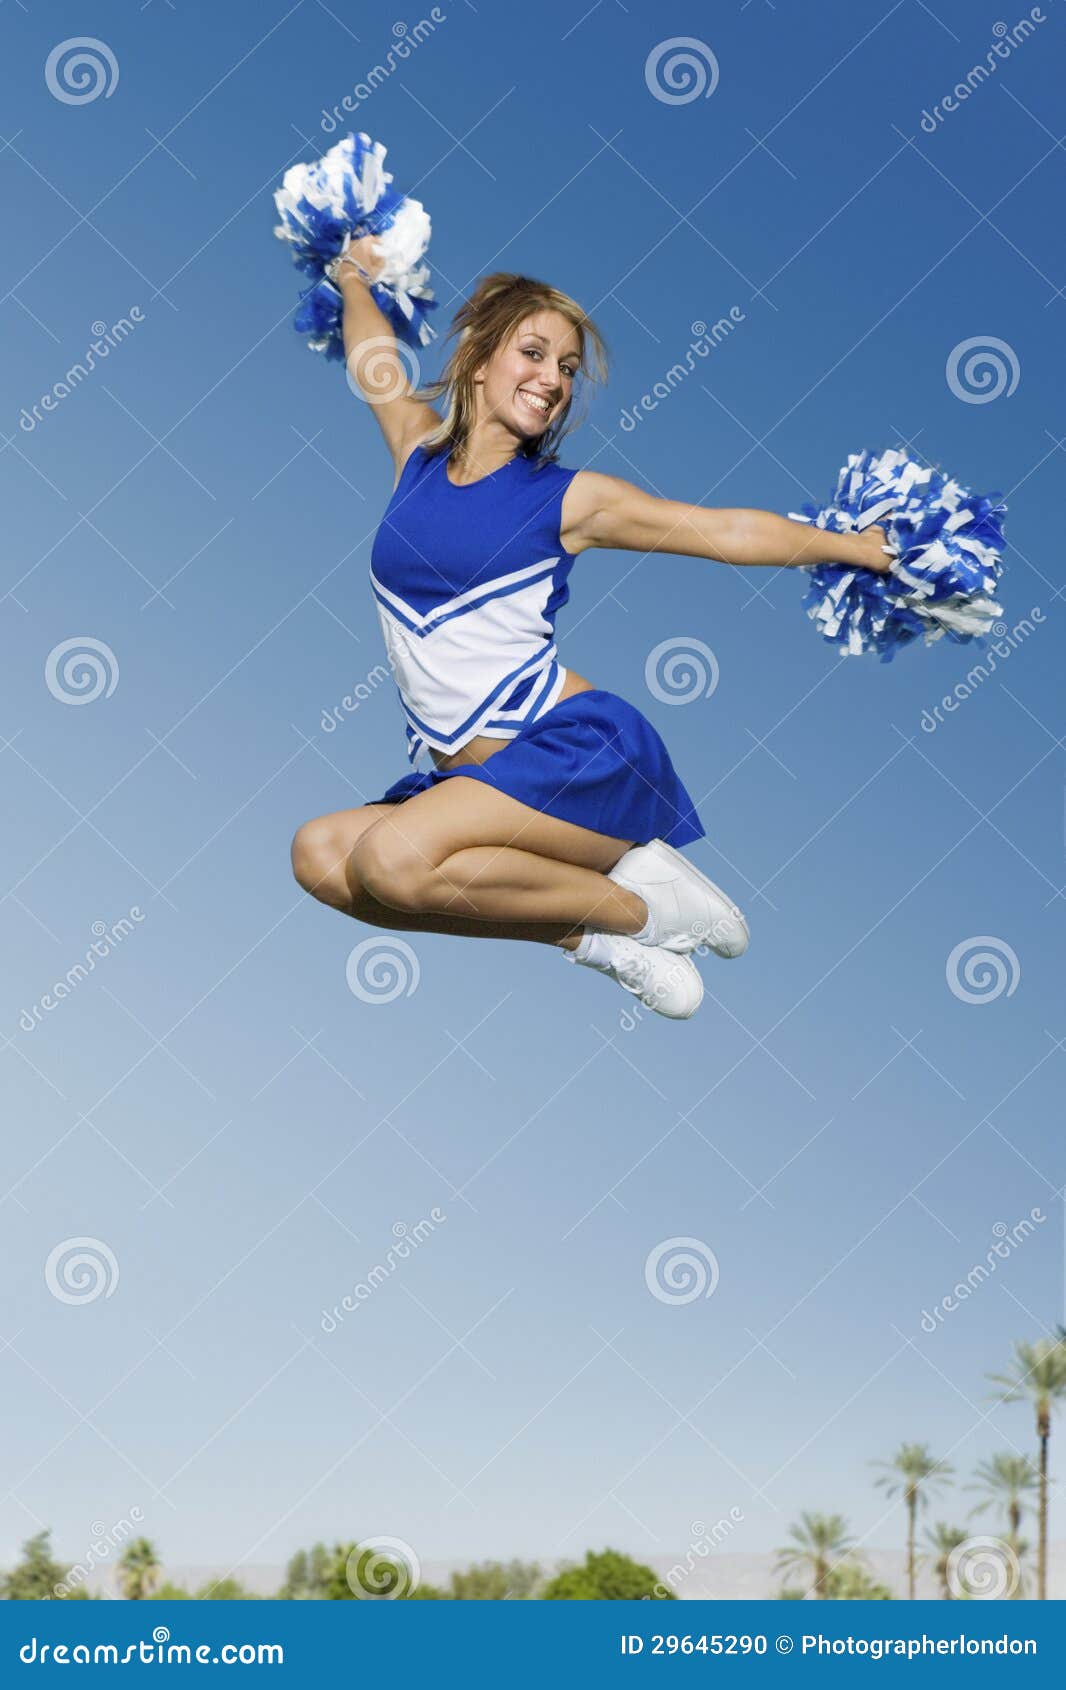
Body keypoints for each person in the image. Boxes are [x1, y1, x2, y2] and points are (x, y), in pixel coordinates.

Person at [291, 248, 891, 1019]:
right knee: (322, 859)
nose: (553, 379)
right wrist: (350, 274)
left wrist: (855, 549)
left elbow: (722, 531)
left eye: (568, 368)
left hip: (574, 759)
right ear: (479, 359)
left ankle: (647, 909)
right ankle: (600, 941)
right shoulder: (417, 454)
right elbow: (372, 357)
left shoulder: (568, 499)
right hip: (474, 790)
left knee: (392, 860)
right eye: (534, 353)